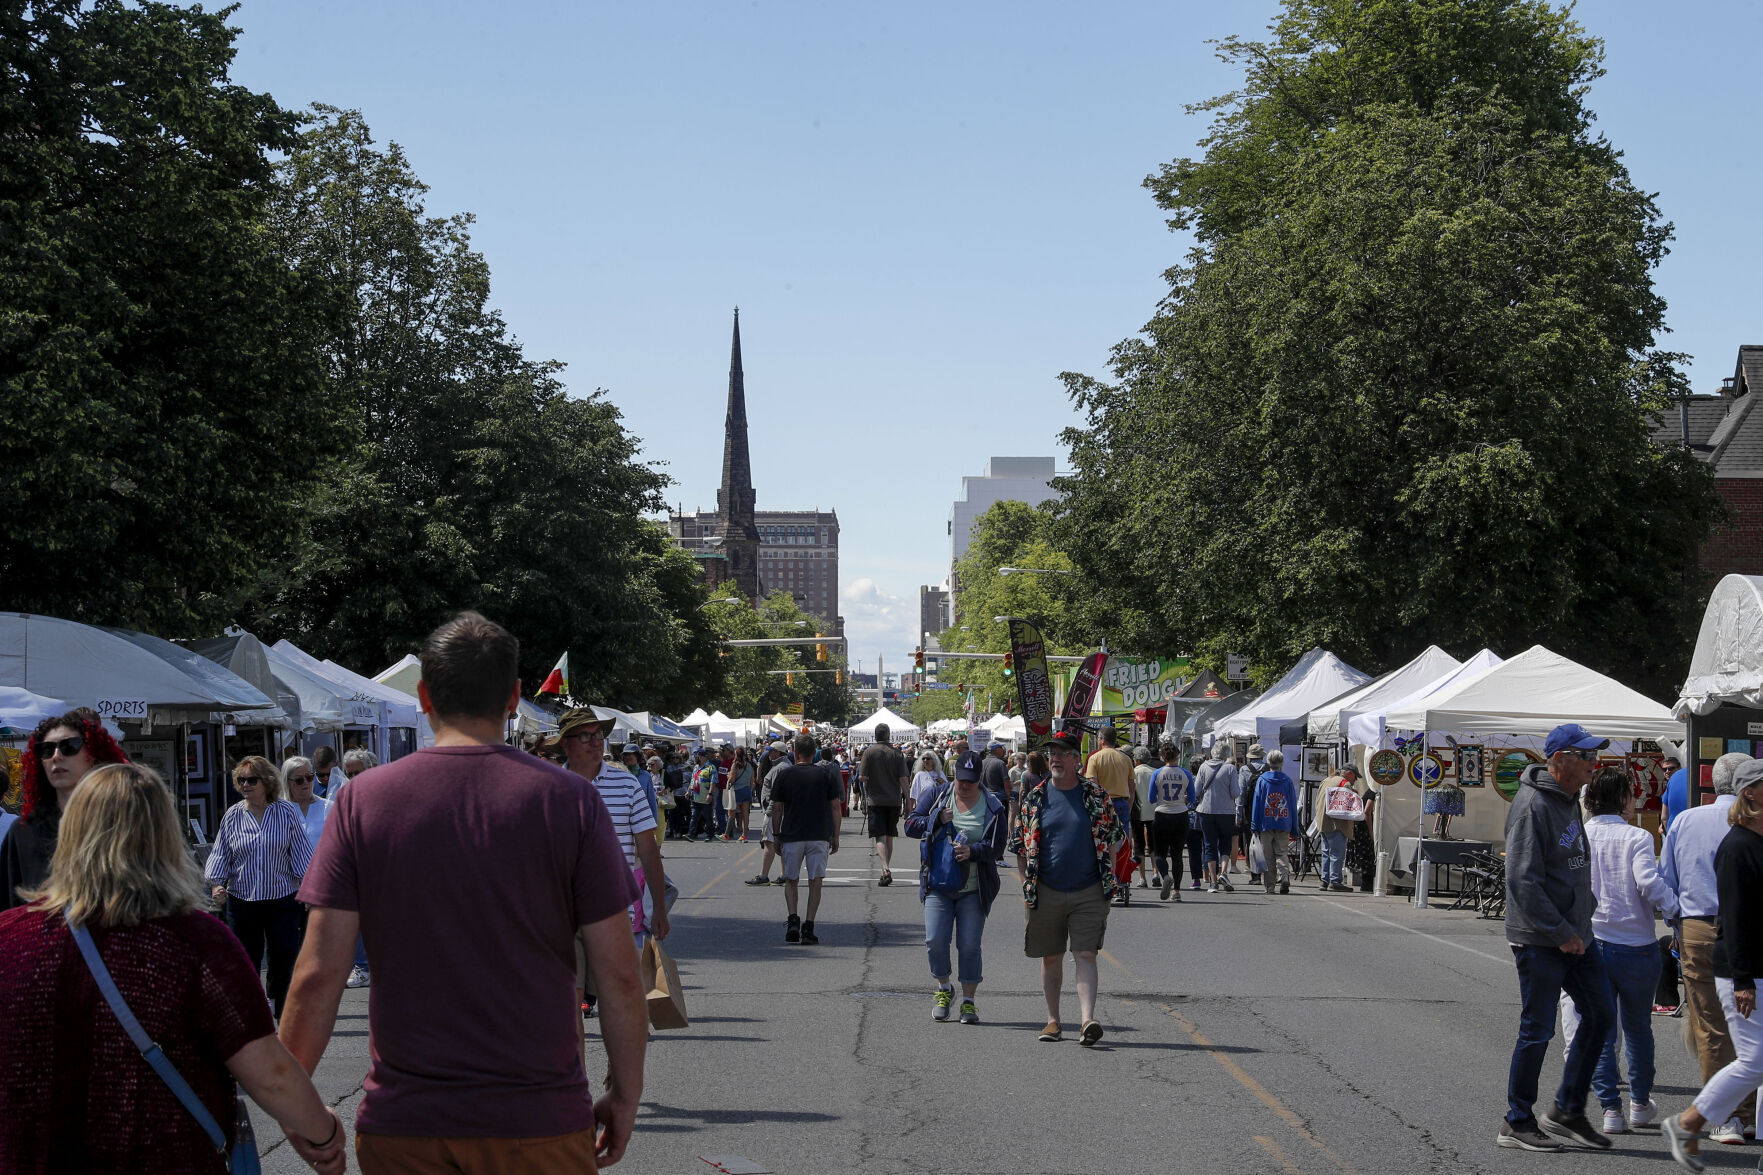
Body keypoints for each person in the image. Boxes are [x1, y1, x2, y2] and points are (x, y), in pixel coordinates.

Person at [281, 612, 645, 1172]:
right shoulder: (570, 801)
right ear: (515, 696)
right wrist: (625, 1094)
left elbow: (317, 976)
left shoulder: (363, 801)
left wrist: (295, 1107)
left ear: (424, 696)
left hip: (408, 1124)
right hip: (541, 1120)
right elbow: (619, 974)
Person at [0, 762, 346, 1174]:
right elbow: (269, 1072)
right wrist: (320, 1133)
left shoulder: (9, 937)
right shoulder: (197, 943)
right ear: (163, 836)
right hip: (167, 1155)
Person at [1497, 723, 1615, 1152]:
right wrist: (1563, 931)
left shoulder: (1568, 800)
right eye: (1586, 756)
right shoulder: (1532, 806)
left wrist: (1586, 911)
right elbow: (1522, 880)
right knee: (1538, 1029)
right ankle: (1517, 1121)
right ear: (1560, 760)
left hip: (1575, 935)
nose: (1594, 763)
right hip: (1542, 938)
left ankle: (1567, 1109)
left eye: (1594, 755)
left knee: (1601, 1016)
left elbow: (1570, 865)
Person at [1663, 757, 1763, 1172]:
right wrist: (1743, 980)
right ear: (1751, 793)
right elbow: (1736, 918)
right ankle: (1689, 1121)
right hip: (1742, 968)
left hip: (1750, 963)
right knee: (1753, 1061)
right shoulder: (1738, 846)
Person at [1566, 765, 1677, 1137]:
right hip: (1635, 944)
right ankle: (1639, 1103)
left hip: (1592, 942)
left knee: (1600, 1030)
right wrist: (1675, 908)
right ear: (1625, 799)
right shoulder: (1638, 837)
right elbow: (1648, 882)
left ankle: (1610, 1109)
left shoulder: (1579, 834)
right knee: (1638, 1028)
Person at [1009, 730, 1126, 1046]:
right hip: (1045, 888)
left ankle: (1087, 1020)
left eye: (1063, 753)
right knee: (1052, 956)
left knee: (1086, 953)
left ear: (1077, 759)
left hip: (1089, 889)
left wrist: (1109, 876)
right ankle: (1053, 1021)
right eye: (1052, 753)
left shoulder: (1096, 796)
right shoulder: (1035, 797)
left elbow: (1113, 839)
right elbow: (1020, 845)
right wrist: (1026, 884)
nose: (1055, 758)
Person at [205, 755, 313, 1019]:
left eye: (251, 780)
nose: (245, 785)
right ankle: (253, 1012)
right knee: (245, 961)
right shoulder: (233, 815)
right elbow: (221, 854)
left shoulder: (286, 811)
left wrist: (310, 889)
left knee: (283, 958)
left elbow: (301, 853)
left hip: (282, 899)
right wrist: (217, 885)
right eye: (241, 780)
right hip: (242, 901)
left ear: (266, 781)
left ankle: (281, 1009)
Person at [907, 748, 1008, 1025]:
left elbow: (998, 847)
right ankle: (944, 988)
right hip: (938, 883)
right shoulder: (939, 795)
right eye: (960, 779)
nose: (964, 785)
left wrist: (973, 851)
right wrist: (935, 819)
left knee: (969, 945)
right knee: (935, 940)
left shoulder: (993, 806)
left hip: (974, 888)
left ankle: (968, 1001)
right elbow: (910, 825)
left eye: (970, 781)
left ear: (979, 779)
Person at [559, 710, 669, 951]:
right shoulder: (550, 786)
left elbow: (649, 851)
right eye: (585, 736)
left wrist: (659, 908)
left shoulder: (627, 784)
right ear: (566, 744)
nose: (596, 742)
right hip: (561, 917)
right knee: (571, 990)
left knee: (613, 989)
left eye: (598, 734)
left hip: (615, 914)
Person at [1, 710, 129, 910]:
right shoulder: (25, 831)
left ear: (93, 755)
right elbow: (8, 912)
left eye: (69, 747)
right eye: (46, 750)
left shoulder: (123, 822)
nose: (56, 756)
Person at [770, 734, 842, 945]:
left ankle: (793, 919)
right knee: (815, 880)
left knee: (791, 879)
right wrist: (835, 835)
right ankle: (808, 926)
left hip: (792, 834)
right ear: (814, 753)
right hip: (819, 834)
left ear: (795, 752)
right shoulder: (825, 774)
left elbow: (777, 808)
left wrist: (776, 834)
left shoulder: (785, 774)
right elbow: (836, 806)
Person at [1085, 725, 1136, 907]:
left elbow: (1093, 786)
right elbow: (1132, 786)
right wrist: (1128, 805)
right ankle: (1121, 878)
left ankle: (1103, 878)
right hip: (1122, 802)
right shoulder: (1125, 758)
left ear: (1101, 739)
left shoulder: (1095, 758)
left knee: (1101, 842)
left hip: (1103, 804)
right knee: (1121, 843)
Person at [859, 724, 909, 886]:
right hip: (893, 800)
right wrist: (908, 801)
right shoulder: (897, 753)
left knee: (879, 836)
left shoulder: (869, 752)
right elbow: (903, 779)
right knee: (889, 835)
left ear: (875, 736)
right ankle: (885, 869)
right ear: (888, 735)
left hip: (876, 800)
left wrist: (872, 778)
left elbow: (862, 777)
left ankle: (884, 867)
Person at [1249, 750, 1298, 895]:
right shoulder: (1288, 781)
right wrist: (1294, 827)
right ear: (1282, 763)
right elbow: (1292, 805)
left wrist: (1254, 824)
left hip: (1266, 822)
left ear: (1268, 762)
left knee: (1267, 856)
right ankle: (1284, 876)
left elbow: (1257, 803)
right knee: (1282, 852)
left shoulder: (1262, 780)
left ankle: (1270, 886)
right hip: (1284, 821)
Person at [1193, 744, 1240, 894]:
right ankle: (1224, 873)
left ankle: (1213, 881)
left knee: (1209, 844)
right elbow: (1235, 792)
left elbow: (1196, 791)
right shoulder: (1230, 769)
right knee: (1225, 843)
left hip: (1205, 811)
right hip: (1226, 812)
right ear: (1226, 754)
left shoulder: (1203, 767)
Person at [1149, 743, 1192, 902]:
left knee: (1160, 853)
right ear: (1178, 756)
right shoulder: (1185, 774)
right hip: (1181, 814)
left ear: (1162, 756)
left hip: (1162, 814)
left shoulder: (1157, 773)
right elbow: (1193, 798)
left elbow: (1151, 798)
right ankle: (1176, 891)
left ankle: (1165, 876)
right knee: (1177, 855)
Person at [1316, 763, 1362, 893]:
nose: (1355, 780)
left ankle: (1324, 880)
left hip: (1323, 822)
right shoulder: (1344, 783)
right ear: (1349, 774)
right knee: (1337, 853)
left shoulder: (1327, 780)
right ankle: (1335, 881)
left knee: (1326, 853)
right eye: (1355, 777)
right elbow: (1347, 803)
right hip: (1336, 824)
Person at [1237, 744, 1267, 883]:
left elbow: (1241, 792)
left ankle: (1255, 875)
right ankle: (1270, 873)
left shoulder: (1244, 769)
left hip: (1250, 810)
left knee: (1252, 841)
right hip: (1267, 809)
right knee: (1267, 840)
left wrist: (1239, 812)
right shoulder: (1269, 768)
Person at [1131, 745, 1156, 889]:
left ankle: (1142, 878)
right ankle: (1155, 873)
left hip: (1137, 812)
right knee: (1154, 845)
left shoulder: (1134, 773)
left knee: (1139, 846)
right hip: (1154, 811)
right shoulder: (1155, 772)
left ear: (1138, 760)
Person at [724, 745, 755, 842]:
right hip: (746, 790)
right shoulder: (749, 765)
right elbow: (752, 781)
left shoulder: (736, 765)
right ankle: (744, 835)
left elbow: (732, 780)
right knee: (745, 814)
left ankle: (726, 835)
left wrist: (728, 776)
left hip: (737, 790)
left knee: (731, 813)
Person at [1662, 751, 1689, 831]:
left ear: (1679, 767)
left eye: (1671, 768)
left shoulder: (1672, 783)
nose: (1667, 771)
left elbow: (1664, 817)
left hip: (1674, 830)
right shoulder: (1668, 785)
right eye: (1664, 769)